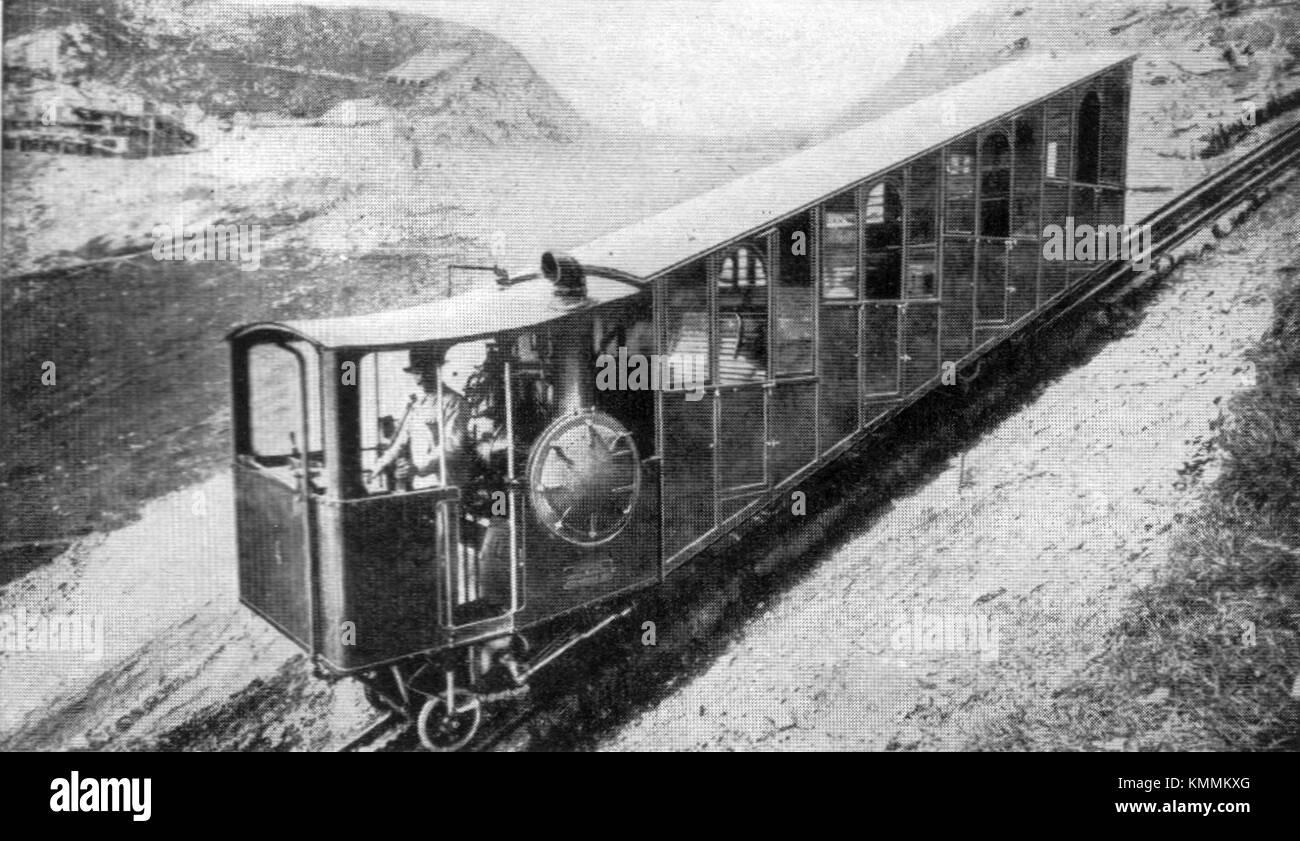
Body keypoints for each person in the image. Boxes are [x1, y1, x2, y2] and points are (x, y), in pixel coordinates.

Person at [369, 343, 485, 491]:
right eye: (416, 372)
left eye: (425, 370)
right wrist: (378, 466)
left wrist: (417, 467)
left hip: (448, 483)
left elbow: (452, 445)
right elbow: (400, 443)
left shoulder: (454, 402)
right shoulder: (417, 404)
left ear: (436, 369)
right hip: (422, 484)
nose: (421, 377)